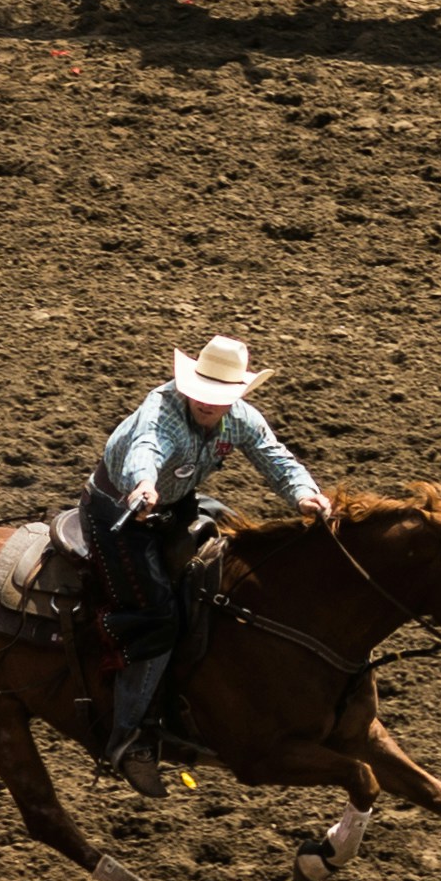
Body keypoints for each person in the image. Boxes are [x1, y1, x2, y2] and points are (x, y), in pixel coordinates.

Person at [84, 335, 330, 790]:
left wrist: (304, 493)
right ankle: (127, 736)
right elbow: (147, 448)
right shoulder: (161, 412)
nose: (209, 405)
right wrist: (143, 484)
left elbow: (273, 455)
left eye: (220, 398)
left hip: (173, 507)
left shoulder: (240, 420)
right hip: (120, 512)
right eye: (203, 394)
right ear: (189, 385)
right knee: (155, 613)